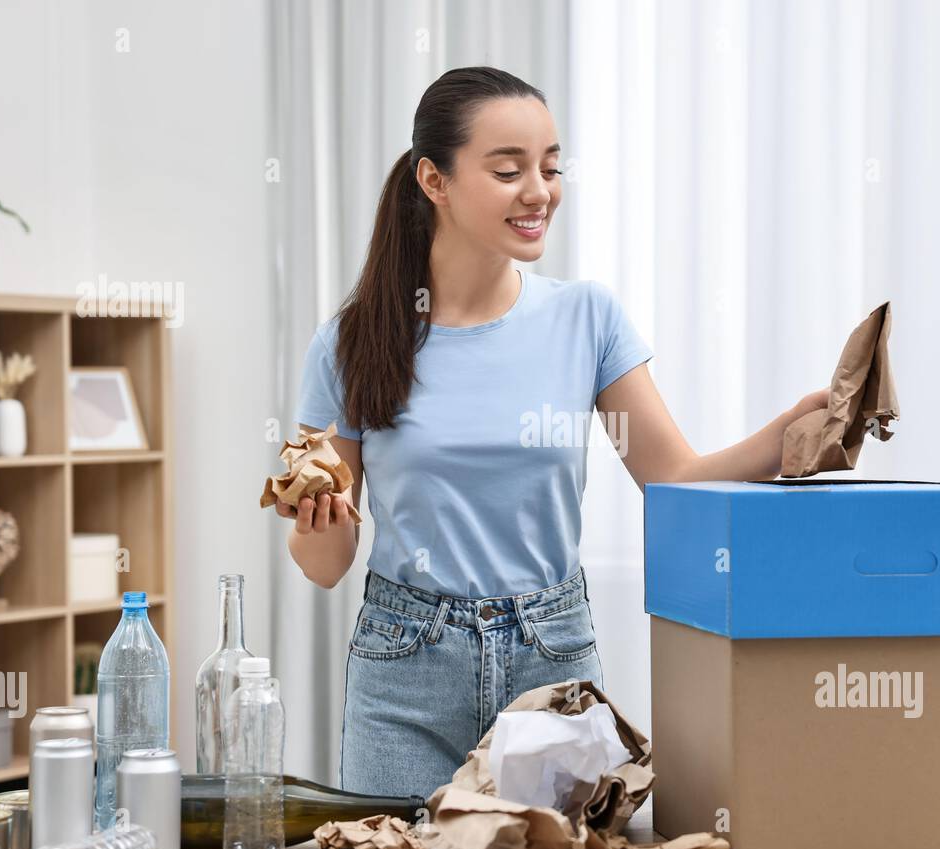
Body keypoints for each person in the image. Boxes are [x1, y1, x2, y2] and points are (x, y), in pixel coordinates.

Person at [281, 65, 828, 799]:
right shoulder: (352, 343)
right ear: (434, 181)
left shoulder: (587, 318)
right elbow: (326, 565)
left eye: (550, 167)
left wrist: (788, 436)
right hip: (404, 670)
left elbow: (672, 480)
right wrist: (316, 521)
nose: (539, 191)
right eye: (509, 171)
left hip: (551, 660)